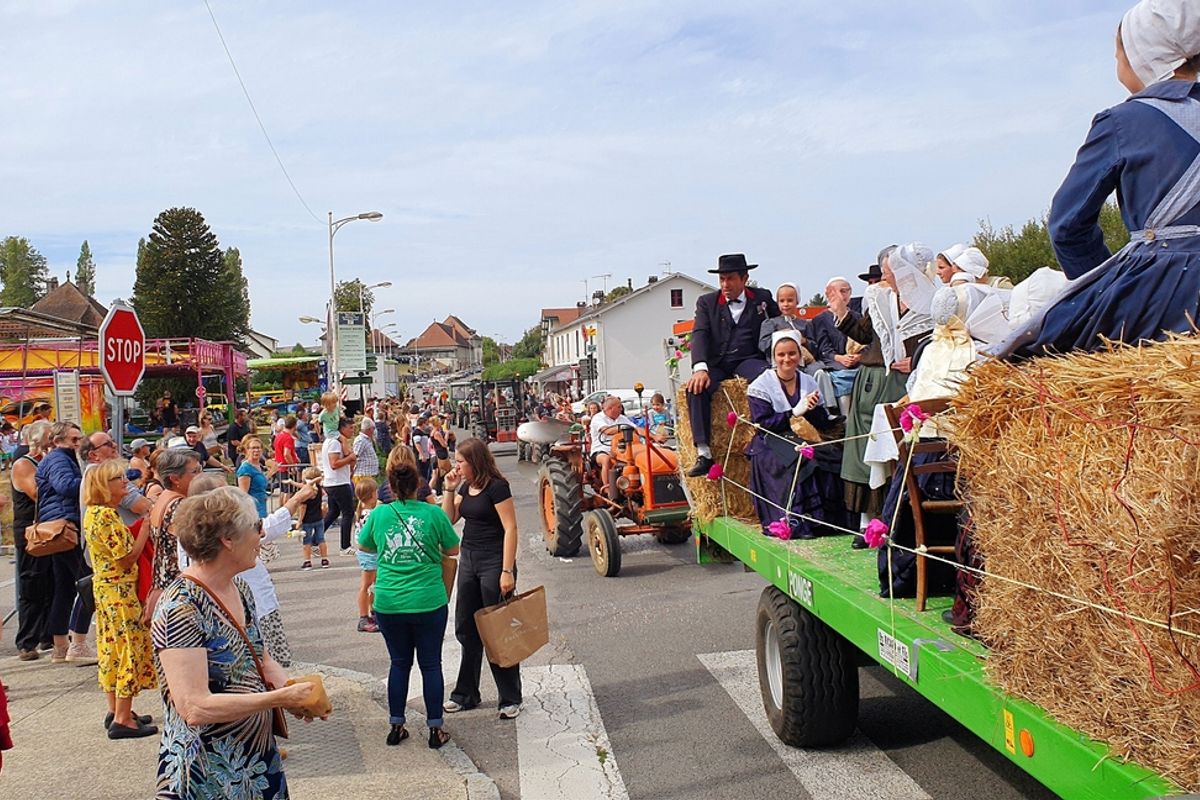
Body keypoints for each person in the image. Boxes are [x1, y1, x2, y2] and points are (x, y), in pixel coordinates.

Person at [1012, 0, 1200, 356]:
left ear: (1145, 55)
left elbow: (1067, 226)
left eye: (1118, 55)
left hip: (1165, 294)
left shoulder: (1121, 122)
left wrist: (1107, 284)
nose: (1116, 65)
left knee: (1026, 362)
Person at [153, 487, 320, 800]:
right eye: (256, 528)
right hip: (207, 772)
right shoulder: (181, 607)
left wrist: (294, 696)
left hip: (254, 763)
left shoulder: (239, 587)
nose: (261, 536)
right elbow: (194, 706)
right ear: (227, 540)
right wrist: (276, 698)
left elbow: (261, 658)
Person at [359, 459, 460, 748]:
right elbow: (452, 549)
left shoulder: (380, 514)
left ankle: (396, 724)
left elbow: (364, 545)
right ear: (418, 484)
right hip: (429, 599)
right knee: (430, 665)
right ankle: (435, 729)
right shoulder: (433, 514)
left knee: (399, 663)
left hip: (389, 602)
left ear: (390, 487)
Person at [838, 245, 934, 538]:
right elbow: (867, 334)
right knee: (865, 448)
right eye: (885, 271)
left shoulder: (930, 301)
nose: (885, 277)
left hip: (910, 382)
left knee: (902, 449)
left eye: (889, 271)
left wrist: (917, 358)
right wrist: (842, 314)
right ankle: (868, 523)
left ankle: (899, 521)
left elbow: (939, 339)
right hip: (873, 378)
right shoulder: (881, 298)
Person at [441, 437, 522, 719]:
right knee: (466, 628)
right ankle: (466, 693)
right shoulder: (465, 485)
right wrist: (449, 491)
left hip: (494, 560)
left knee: (499, 630)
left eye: (460, 462)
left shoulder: (497, 487)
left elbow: (510, 528)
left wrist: (507, 570)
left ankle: (510, 697)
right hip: (469, 559)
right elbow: (447, 520)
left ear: (473, 461)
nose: (456, 466)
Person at [747, 331, 851, 540]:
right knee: (803, 459)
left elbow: (820, 421)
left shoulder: (808, 381)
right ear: (774, 357)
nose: (787, 359)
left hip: (801, 435)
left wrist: (815, 410)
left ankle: (828, 521)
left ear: (800, 355)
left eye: (792, 354)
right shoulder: (760, 385)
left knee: (832, 457)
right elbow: (763, 425)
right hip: (770, 441)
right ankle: (800, 522)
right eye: (781, 355)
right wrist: (793, 412)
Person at [685, 253, 780, 477]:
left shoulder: (762, 298)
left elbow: (779, 322)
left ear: (744, 278)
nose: (725, 284)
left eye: (730, 279)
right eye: (722, 279)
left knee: (768, 378)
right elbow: (700, 334)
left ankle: (770, 436)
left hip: (748, 359)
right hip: (717, 362)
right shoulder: (707, 302)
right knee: (695, 388)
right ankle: (704, 452)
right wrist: (700, 367)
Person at [82, 460, 158, 738]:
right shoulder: (105, 516)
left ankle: (117, 709)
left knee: (112, 648)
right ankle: (123, 718)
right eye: (118, 478)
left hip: (106, 590)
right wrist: (145, 530)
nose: (125, 482)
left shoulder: (96, 512)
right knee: (129, 648)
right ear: (104, 484)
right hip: (119, 590)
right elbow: (126, 559)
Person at [35, 421, 96, 664]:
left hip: (58, 527)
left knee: (65, 588)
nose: (78, 444)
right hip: (65, 526)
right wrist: (96, 480)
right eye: (74, 439)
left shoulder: (56, 458)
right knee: (87, 582)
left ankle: (61, 645)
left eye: (79, 439)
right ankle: (77, 644)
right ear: (58, 440)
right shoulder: (60, 458)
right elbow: (65, 486)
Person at [144, 449, 203, 622]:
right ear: (175, 479)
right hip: (179, 591)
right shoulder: (180, 506)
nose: (200, 475)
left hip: (163, 585)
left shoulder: (163, 498)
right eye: (195, 472)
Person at [12, 420, 50, 660]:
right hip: (30, 531)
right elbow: (37, 493)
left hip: (49, 529)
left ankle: (49, 634)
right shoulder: (24, 464)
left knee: (52, 583)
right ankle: (27, 641)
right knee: (32, 584)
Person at [807, 277, 862, 416]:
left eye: (847, 291)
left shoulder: (858, 317)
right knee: (842, 376)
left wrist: (859, 356)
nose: (844, 296)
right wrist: (840, 358)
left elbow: (867, 343)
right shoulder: (820, 320)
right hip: (833, 363)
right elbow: (822, 348)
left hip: (858, 362)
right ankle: (845, 420)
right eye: (840, 292)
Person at [321, 416, 358, 555]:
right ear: (341, 428)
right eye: (350, 428)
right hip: (338, 483)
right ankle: (345, 546)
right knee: (348, 513)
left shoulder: (334, 442)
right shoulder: (334, 443)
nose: (352, 430)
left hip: (335, 481)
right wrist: (349, 459)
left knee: (334, 512)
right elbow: (334, 463)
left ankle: (315, 538)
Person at [589, 396, 634, 496]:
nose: (621, 409)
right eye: (619, 407)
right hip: (601, 449)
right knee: (606, 459)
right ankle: (608, 489)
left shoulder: (622, 418)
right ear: (610, 408)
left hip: (620, 449)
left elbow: (636, 429)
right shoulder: (598, 418)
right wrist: (624, 429)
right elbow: (608, 431)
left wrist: (653, 436)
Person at [353, 477, 381, 633]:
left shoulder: (362, 511)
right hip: (369, 553)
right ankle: (363, 617)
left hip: (369, 552)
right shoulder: (370, 514)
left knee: (374, 584)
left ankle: (374, 611)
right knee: (366, 585)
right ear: (372, 495)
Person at [299, 465, 328, 570]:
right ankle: (324, 559)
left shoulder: (307, 492)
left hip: (307, 520)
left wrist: (299, 521)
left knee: (307, 541)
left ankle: (307, 561)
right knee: (321, 539)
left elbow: (303, 507)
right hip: (318, 518)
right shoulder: (319, 489)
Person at [237, 435, 273, 519]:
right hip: (252, 510)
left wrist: (271, 472)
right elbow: (243, 494)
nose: (256, 450)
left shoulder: (258, 465)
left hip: (262, 506)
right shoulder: (245, 468)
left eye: (258, 448)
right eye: (253, 448)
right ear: (247, 450)